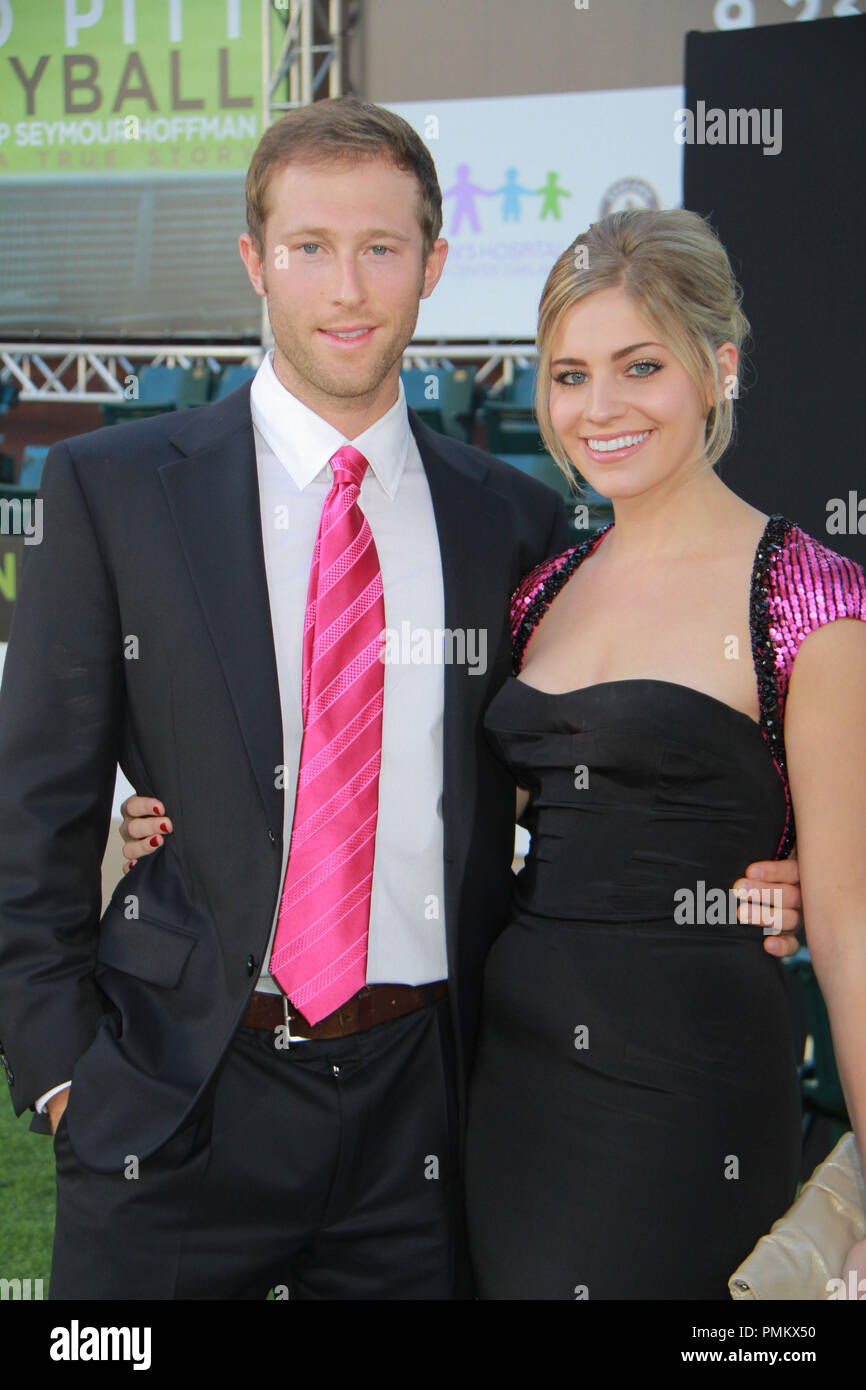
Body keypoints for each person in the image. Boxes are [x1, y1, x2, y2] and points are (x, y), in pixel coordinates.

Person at [0, 99, 802, 1302]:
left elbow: (599, 762)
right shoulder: (110, 490)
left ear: (432, 263)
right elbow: (33, 810)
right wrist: (62, 1067)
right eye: (308, 246)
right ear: (253, 262)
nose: (346, 286)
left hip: (428, 1104)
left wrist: (773, 861)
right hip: (177, 1090)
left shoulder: (513, 519)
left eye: (381, 247)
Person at [459, 208, 866, 1299]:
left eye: (638, 366)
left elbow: (846, 921)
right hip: (509, 1081)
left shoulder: (798, 594)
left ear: (716, 368)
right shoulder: (543, 585)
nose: (599, 409)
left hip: (683, 1088)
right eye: (567, 374)